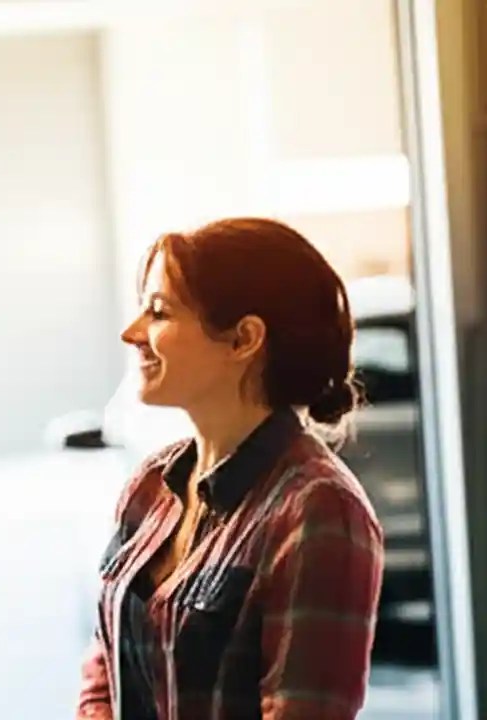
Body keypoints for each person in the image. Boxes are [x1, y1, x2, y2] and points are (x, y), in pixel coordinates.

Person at [77, 218, 385, 719]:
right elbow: (104, 663)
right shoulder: (151, 487)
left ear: (244, 339)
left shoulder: (319, 511)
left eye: (159, 312)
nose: (131, 332)